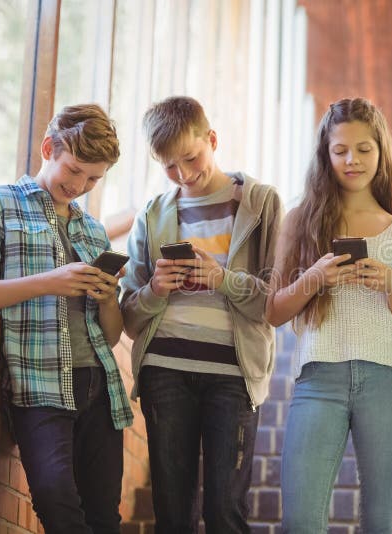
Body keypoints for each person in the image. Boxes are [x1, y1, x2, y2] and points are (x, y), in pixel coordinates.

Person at [0, 104, 131, 534]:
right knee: (56, 503)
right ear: (48, 148)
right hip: (38, 386)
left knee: (104, 518)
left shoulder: (95, 231)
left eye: (94, 178)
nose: (80, 185)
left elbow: (113, 332)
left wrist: (106, 299)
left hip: (99, 390)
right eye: (74, 170)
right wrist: (49, 282)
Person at [120, 96, 281, 533]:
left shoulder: (261, 204)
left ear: (212, 139)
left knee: (225, 511)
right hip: (164, 371)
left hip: (234, 374)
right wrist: (155, 289)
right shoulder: (152, 215)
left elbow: (279, 302)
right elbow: (128, 319)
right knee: (173, 514)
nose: (185, 174)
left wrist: (222, 279)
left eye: (191, 158)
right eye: (170, 166)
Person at [265, 97, 392, 533]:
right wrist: (315, 276)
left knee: (384, 523)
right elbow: (274, 312)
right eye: (340, 150)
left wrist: (390, 283)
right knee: (301, 520)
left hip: (387, 380)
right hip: (319, 379)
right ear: (326, 155)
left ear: (380, 152)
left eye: (364, 149)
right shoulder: (300, 221)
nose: (352, 160)